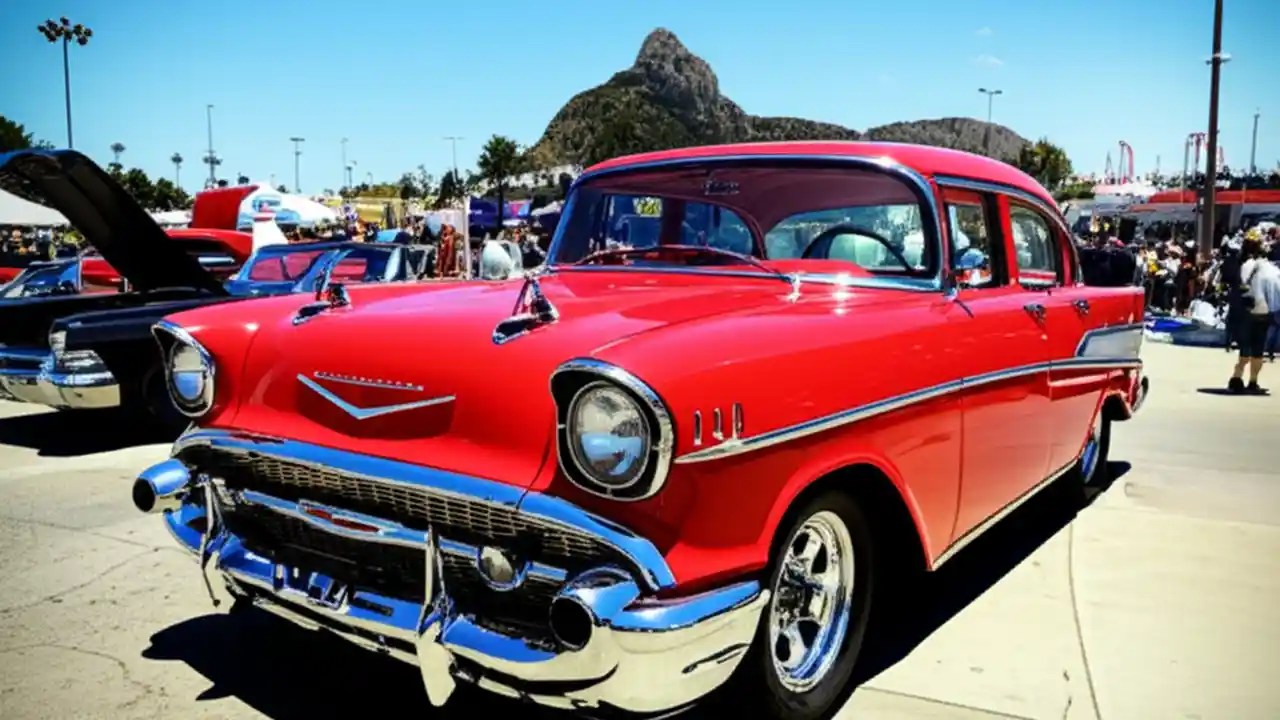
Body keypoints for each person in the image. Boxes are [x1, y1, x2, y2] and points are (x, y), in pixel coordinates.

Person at [1228, 235, 1279, 393]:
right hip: (1264, 311)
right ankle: (1253, 381)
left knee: (1245, 347)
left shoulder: (1244, 264)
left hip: (1247, 310)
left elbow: (1239, 284)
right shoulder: (1270, 267)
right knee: (1258, 348)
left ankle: (1237, 377)